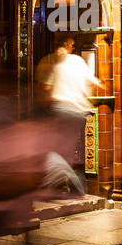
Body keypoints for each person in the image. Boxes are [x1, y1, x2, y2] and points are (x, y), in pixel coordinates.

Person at [44, 36, 103, 172]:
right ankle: (71, 179)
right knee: (77, 147)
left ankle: (62, 177)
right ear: (68, 45)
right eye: (73, 45)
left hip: (60, 108)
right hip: (76, 109)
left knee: (63, 145)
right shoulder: (77, 60)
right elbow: (93, 80)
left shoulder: (56, 64)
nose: (74, 47)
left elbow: (47, 87)